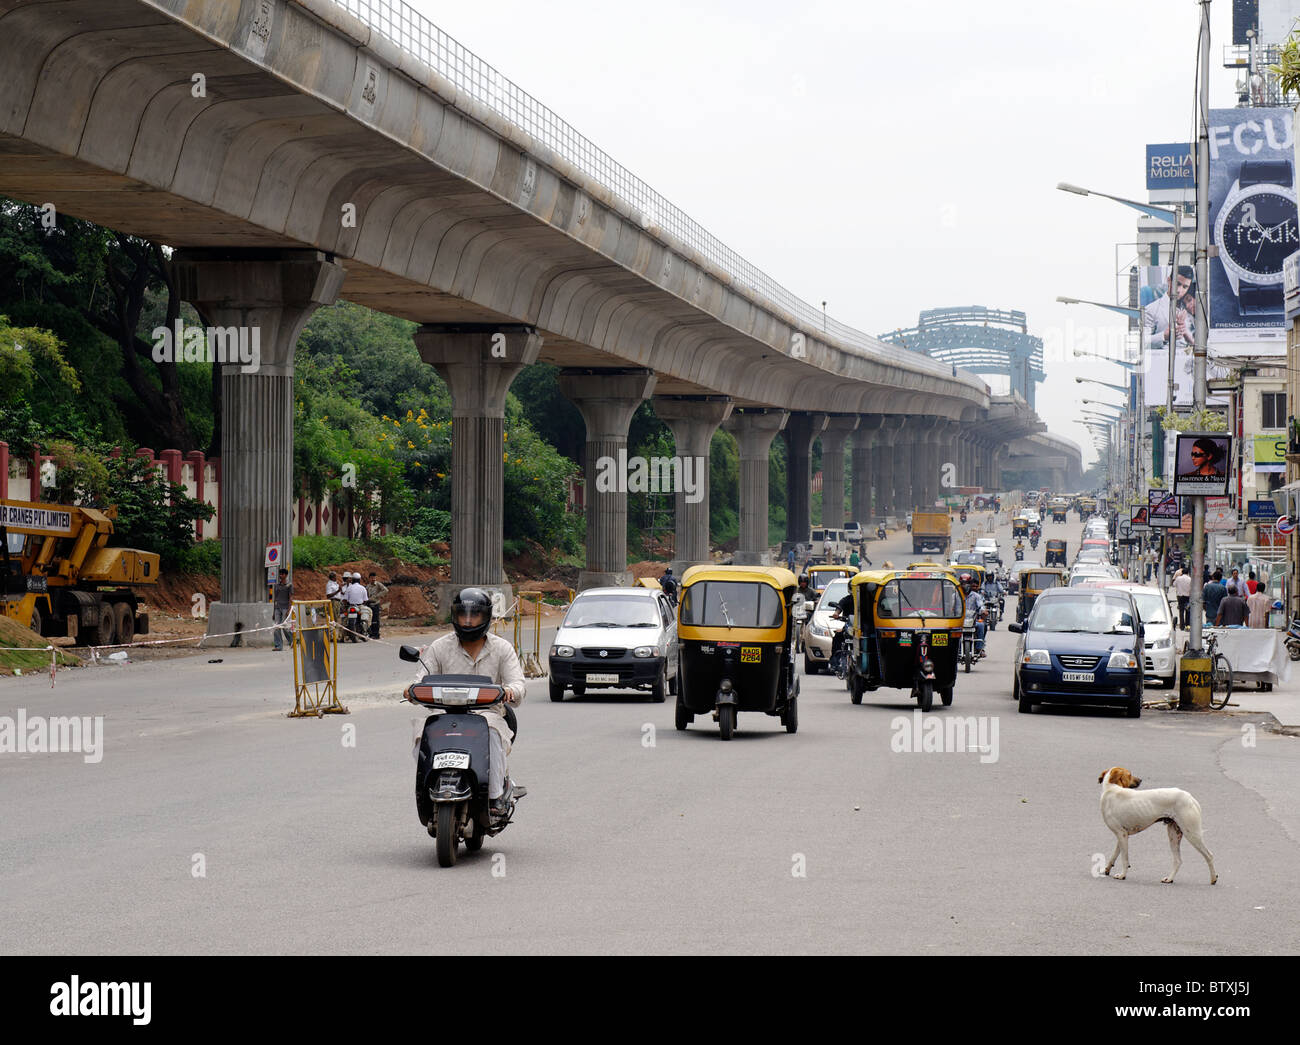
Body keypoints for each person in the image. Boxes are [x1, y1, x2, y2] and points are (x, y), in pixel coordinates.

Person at [412, 588, 525, 814]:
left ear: (486, 618)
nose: (468, 621)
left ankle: (494, 798)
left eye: (475, 615)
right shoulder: (439, 647)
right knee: (420, 734)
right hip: (445, 715)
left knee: (492, 733)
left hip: (487, 715)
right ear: (455, 616)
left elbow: (518, 684)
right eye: (463, 615)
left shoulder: (502, 648)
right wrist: (410, 690)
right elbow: (420, 680)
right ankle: (427, 789)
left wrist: (510, 691)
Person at [960, 574, 986, 658]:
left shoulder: (976, 596)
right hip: (959, 622)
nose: (965, 585)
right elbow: (951, 607)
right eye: (963, 583)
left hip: (972, 620)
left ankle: (979, 649)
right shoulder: (956, 595)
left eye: (967, 583)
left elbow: (981, 606)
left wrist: (983, 611)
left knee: (981, 625)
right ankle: (956, 649)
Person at [343, 572, 370, 639]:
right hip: (359, 606)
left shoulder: (349, 588)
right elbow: (365, 600)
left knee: (344, 620)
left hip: (350, 606)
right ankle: (365, 630)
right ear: (359, 580)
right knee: (369, 612)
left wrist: (346, 606)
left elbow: (345, 600)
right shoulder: (363, 588)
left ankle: (342, 636)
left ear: (352, 580)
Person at [271, 567, 293, 651]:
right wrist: (273, 611)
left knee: (285, 627)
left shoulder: (289, 585)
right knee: (276, 627)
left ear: (286, 575)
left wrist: (288, 610)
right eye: (280, 574)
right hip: (277, 608)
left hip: (285, 608)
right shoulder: (276, 586)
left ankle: (292, 641)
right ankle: (278, 646)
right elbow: (275, 599)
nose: (280, 575)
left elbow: (291, 598)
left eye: (282, 574)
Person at [366, 571, 389, 639]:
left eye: (374, 577)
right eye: (372, 578)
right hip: (369, 604)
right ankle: (371, 633)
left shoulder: (378, 584)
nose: (373, 579)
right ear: (369, 578)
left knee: (376, 620)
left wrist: (377, 596)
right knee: (370, 619)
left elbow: (386, 590)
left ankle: (376, 634)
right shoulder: (368, 586)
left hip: (375, 604)